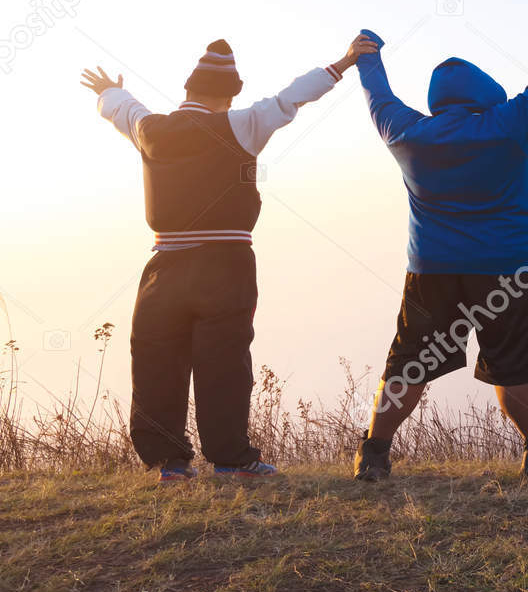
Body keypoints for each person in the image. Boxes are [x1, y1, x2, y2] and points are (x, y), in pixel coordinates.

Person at [81, 35, 374, 481]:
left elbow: (123, 108)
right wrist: (344, 62)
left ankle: (169, 463)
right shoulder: (241, 124)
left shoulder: (150, 129)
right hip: (226, 264)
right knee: (224, 362)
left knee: (156, 358)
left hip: (164, 266)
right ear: (229, 93)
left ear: (188, 90)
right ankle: (232, 461)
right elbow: (292, 97)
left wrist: (108, 91)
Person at [351, 10, 528, 482]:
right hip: (508, 271)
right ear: (486, 93)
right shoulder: (509, 125)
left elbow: (378, 100)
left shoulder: (408, 134)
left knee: (410, 363)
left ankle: (374, 454)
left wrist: (368, 58)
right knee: (516, 365)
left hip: (432, 272)